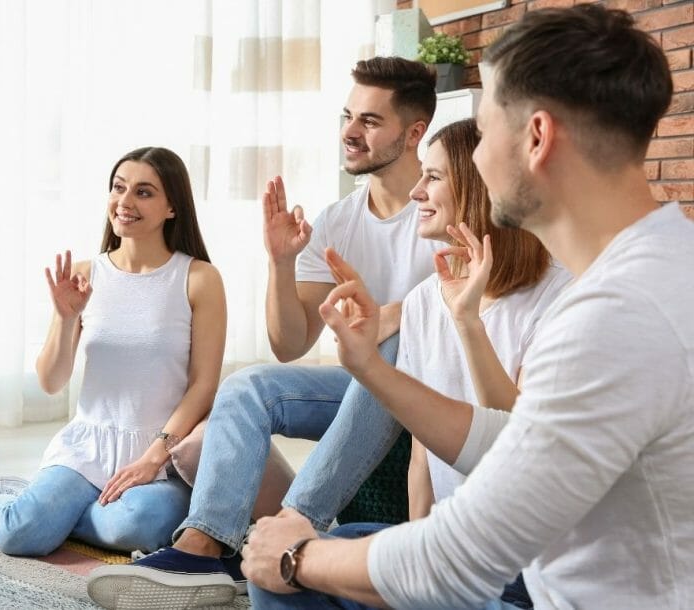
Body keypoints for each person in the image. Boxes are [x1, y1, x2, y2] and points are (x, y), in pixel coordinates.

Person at [242, 5, 694, 608]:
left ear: (536, 138)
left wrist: (298, 554)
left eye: (482, 131)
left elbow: (459, 561)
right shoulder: (662, 264)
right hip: (536, 575)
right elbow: (513, 443)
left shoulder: (611, 317)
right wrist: (369, 366)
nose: (474, 160)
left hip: (535, 590)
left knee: (288, 574)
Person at [87, 56, 440, 610]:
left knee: (395, 345)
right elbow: (289, 343)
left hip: (429, 390)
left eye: (369, 121)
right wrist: (280, 263)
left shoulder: (446, 204)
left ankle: (295, 524)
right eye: (347, 115)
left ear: (414, 132)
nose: (349, 131)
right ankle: (205, 549)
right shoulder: (337, 219)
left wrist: (392, 316)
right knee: (248, 386)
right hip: (358, 386)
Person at [248, 118, 571, 609]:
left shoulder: (558, 297)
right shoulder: (424, 300)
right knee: (279, 568)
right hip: (449, 545)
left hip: (527, 562)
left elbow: (516, 446)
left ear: (479, 186)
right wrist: (413, 558)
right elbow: (424, 451)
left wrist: (468, 322)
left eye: (434, 177)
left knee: (302, 561)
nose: (417, 191)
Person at [0, 147, 226, 557]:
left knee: (137, 525)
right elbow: (51, 382)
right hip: (87, 448)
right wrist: (66, 318)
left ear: (172, 206)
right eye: (118, 188)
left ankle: (55, 513)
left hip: (162, 454)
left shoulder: (199, 278)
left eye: (143, 192)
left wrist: (153, 457)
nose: (124, 202)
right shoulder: (87, 275)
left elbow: (203, 386)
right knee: (22, 535)